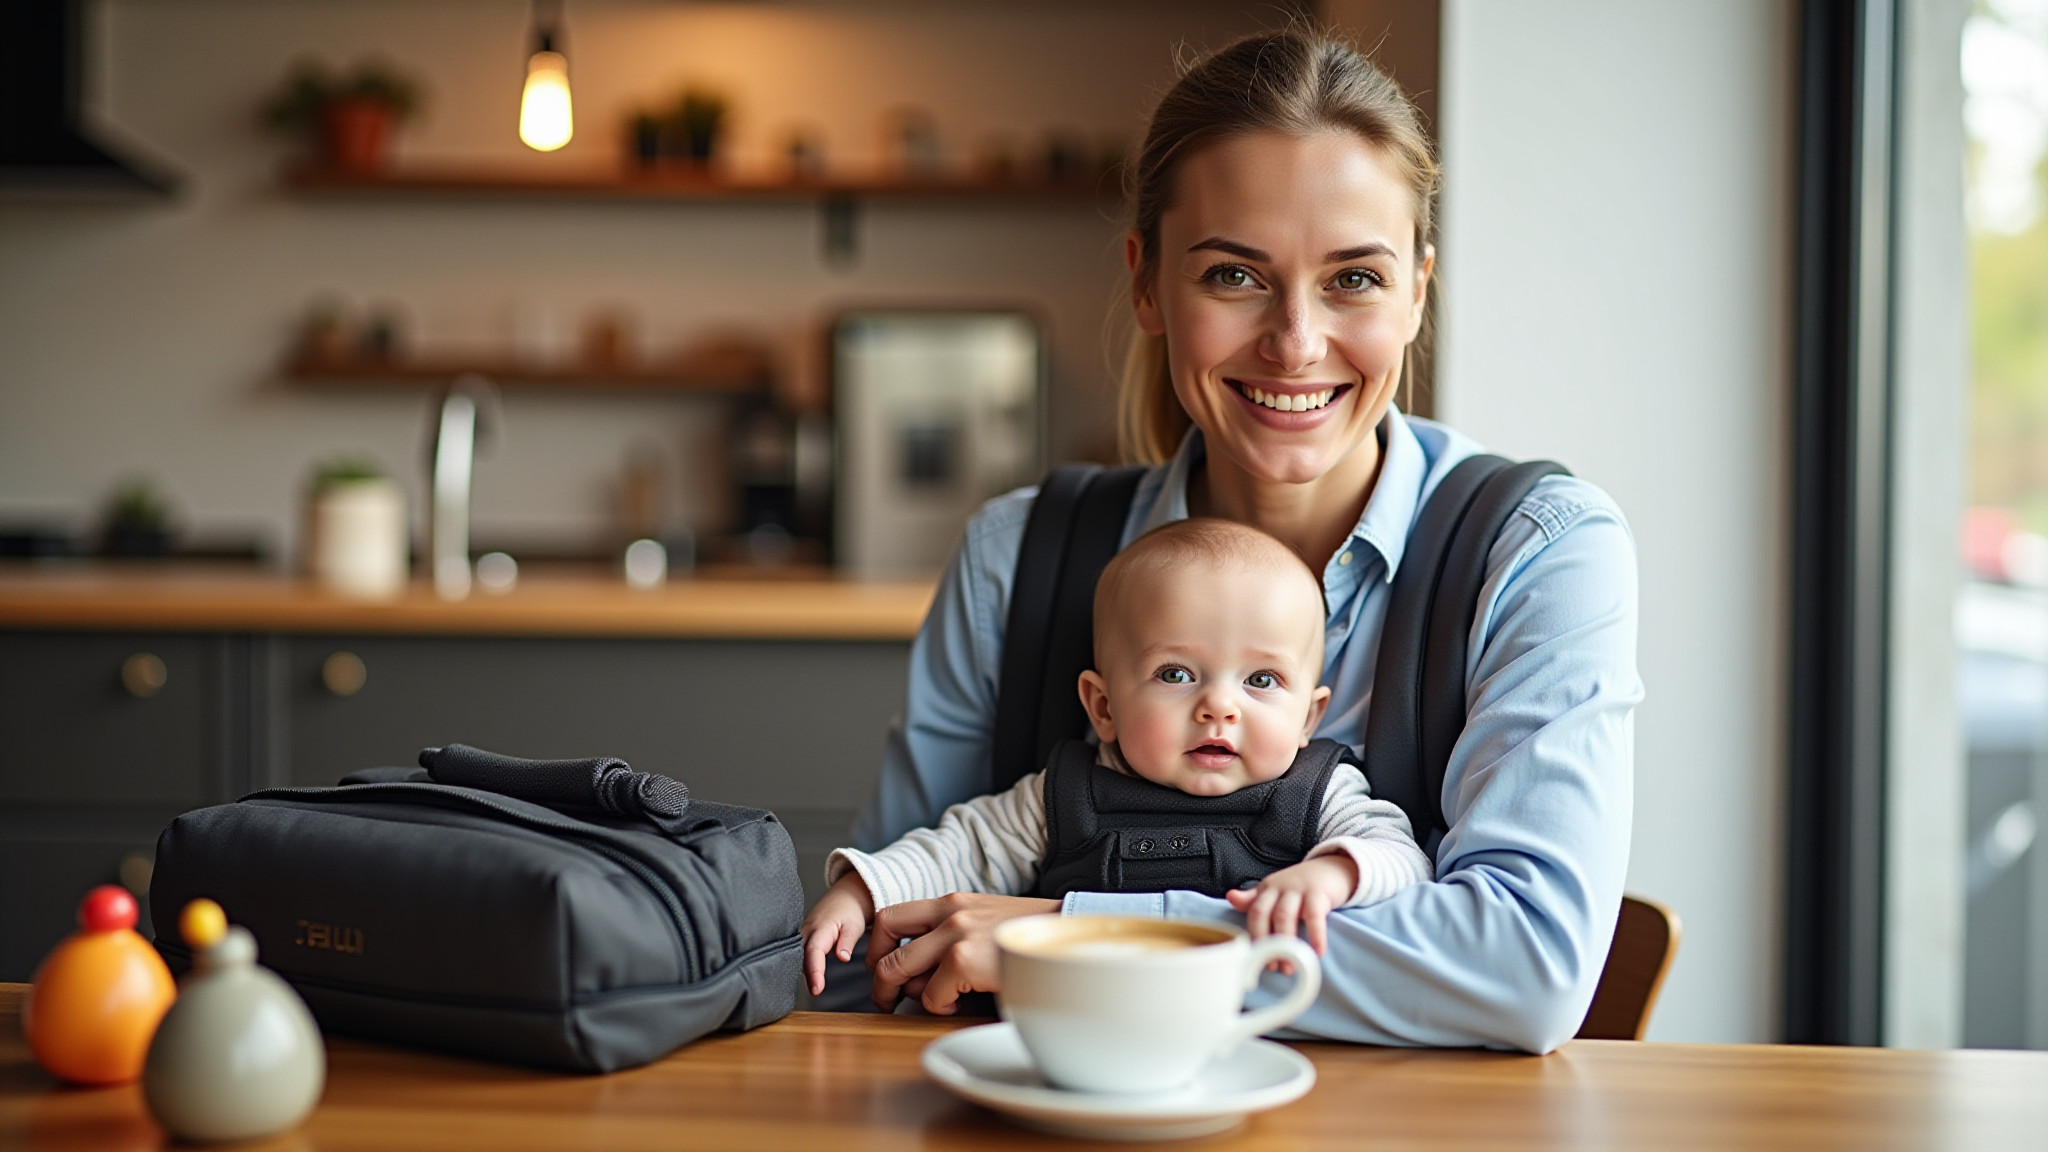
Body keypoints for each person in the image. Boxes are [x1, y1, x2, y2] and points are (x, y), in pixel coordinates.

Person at [828, 27, 1640, 1055]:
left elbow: (1523, 969)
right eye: (1231, 276)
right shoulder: (1012, 558)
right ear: (1145, 282)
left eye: (1353, 279)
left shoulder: (1538, 553)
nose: (1295, 342)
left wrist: (1078, 941)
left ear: (1416, 292)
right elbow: (891, 951)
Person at [802, 518, 1434, 998]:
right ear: (1102, 706)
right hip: (1068, 1032)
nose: (1220, 706)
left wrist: (1333, 875)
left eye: (1261, 681)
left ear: (1309, 718)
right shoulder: (1064, 793)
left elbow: (1401, 856)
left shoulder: (1320, 793)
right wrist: (864, 890)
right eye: (1177, 672)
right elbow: (960, 850)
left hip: (1256, 1038)